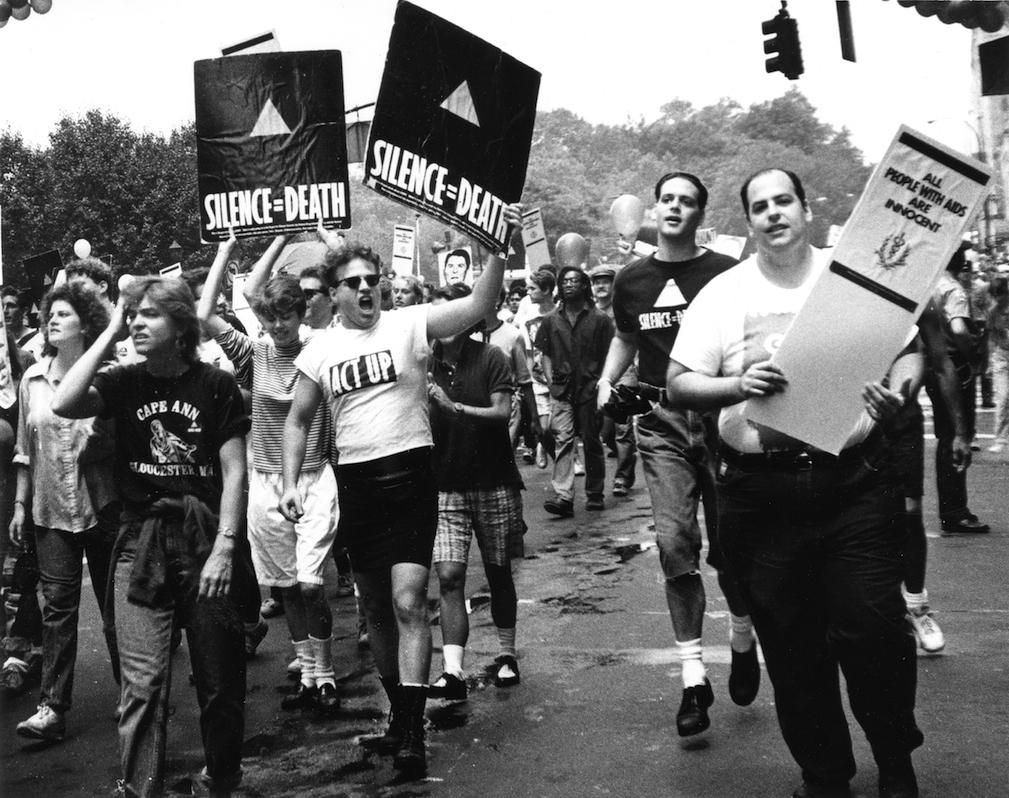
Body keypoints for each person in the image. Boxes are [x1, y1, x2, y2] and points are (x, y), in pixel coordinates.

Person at [668, 167, 921, 798]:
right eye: (761, 206)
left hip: (852, 485)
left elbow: (909, 346)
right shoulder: (723, 295)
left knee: (874, 628)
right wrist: (736, 385)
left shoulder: (850, 278)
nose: (774, 213)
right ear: (749, 222)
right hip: (762, 496)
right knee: (793, 647)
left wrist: (903, 391)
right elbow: (678, 383)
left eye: (785, 201)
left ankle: (895, 760)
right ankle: (825, 774)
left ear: (806, 210)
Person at [279, 203, 520, 778]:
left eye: (373, 280)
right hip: (357, 481)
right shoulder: (320, 350)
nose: (366, 289)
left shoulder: (410, 322)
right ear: (334, 293)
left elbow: (480, 305)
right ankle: (397, 714)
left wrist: (497, 250)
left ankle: (412, 731)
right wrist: (290, 481)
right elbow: (296, 419)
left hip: (411, 474)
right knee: (377, 608)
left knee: (411, 599)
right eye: (354, 283)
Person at [52, 277, 251, 798]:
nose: (137, 322)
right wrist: (112, 327)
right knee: (140, 685)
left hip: (204, 540)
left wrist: (227, 548)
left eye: (148, 315)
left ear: (181, 326)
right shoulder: (124, 382)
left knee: (218, 682)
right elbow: (65, 401)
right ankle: (140, 789)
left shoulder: (215, 385)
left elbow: (235, 473)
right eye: (132, 315)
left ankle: (222, 781)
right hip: (140, 545)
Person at [597, 171, 756, 737]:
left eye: (686, 202)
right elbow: (626, 334)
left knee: (733, 549)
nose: (674, 208)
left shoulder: (724, 274)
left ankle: (741, 634)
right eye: (666, 199)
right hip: (660, 421)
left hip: (720, 420)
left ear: (699, 216)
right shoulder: (633, 279)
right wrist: (606, 382)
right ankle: (693, 678)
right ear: (654, 210)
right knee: (673, 543)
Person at [198, 234, 339, 714]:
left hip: (314, 477)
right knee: (284, 584)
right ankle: (307, 672)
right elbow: (204, 315)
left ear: (304, 313)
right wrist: (227, 249)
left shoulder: (323, 346)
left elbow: (341, 283)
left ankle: (325, 672)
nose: (279, 325)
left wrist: (327, 241)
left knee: (311, 583)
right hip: (266, 481)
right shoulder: (253, 353)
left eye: (288, 314)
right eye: (271, 316)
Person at [9, 283, 119, 742]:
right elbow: (23, 450)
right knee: (57, 610)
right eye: (49, 314)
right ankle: (52, 708)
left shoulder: (107, 378)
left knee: (117, 608)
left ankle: (135, 694)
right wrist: (19, 504)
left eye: (63, 314)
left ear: (86, 324)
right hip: (49, 510)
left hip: (102, 508)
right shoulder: (31, 377)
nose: (51, 320)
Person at [427, 283, 525, 699]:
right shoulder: (421, 364)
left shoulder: (492, 357)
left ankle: (506, 654)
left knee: (499, 571)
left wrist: (454, 408)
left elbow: (502, 413)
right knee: (449, 577)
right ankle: (452, 671)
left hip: (493, 481)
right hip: (444, 485)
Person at [535, 266, 613, 515]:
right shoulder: (550, 320)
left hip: (590, 389)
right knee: (563, 441)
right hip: (562, 391)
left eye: (574, 280)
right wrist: (550, 381)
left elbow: (610, 355)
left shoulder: (600, 319)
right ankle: (563, 497)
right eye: (565, 281)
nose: (569, 285)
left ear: (583, 286)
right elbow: (544, 354)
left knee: (591, 441)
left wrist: (603, 383)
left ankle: (595, 493)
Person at [925, 244, 990, 534]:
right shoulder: (954, 290)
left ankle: (951, 508)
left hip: (932, 365)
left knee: (945, 435)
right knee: (958, 435)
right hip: (954, 367)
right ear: (960, 263)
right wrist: (973, 350)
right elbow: (961, 329)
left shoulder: (931, 285)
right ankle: (955, 510)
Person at [590, 264, 638, 495]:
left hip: (626, 373)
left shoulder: (623, 308)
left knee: (622, 428)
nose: (600, 285)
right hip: (600, 375)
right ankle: (626, 458)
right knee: (606, 432)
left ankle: (623, 477)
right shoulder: (590, 312)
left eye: (605, 281)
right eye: (596, 281)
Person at [987, 277, 1009, 452]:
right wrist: (989, 360)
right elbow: (991, 336)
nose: (998, 299)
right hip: (1002, 356)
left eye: (1000, 295)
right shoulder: (993, 312)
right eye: (995, 296)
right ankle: (1000, 439)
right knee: (1003, 397)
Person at [2, 287, 43, 360]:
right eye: (2, 307)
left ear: (24, 311)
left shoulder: (39, 340)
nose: (5, 311)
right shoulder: (2, 343)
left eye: (11, 306)